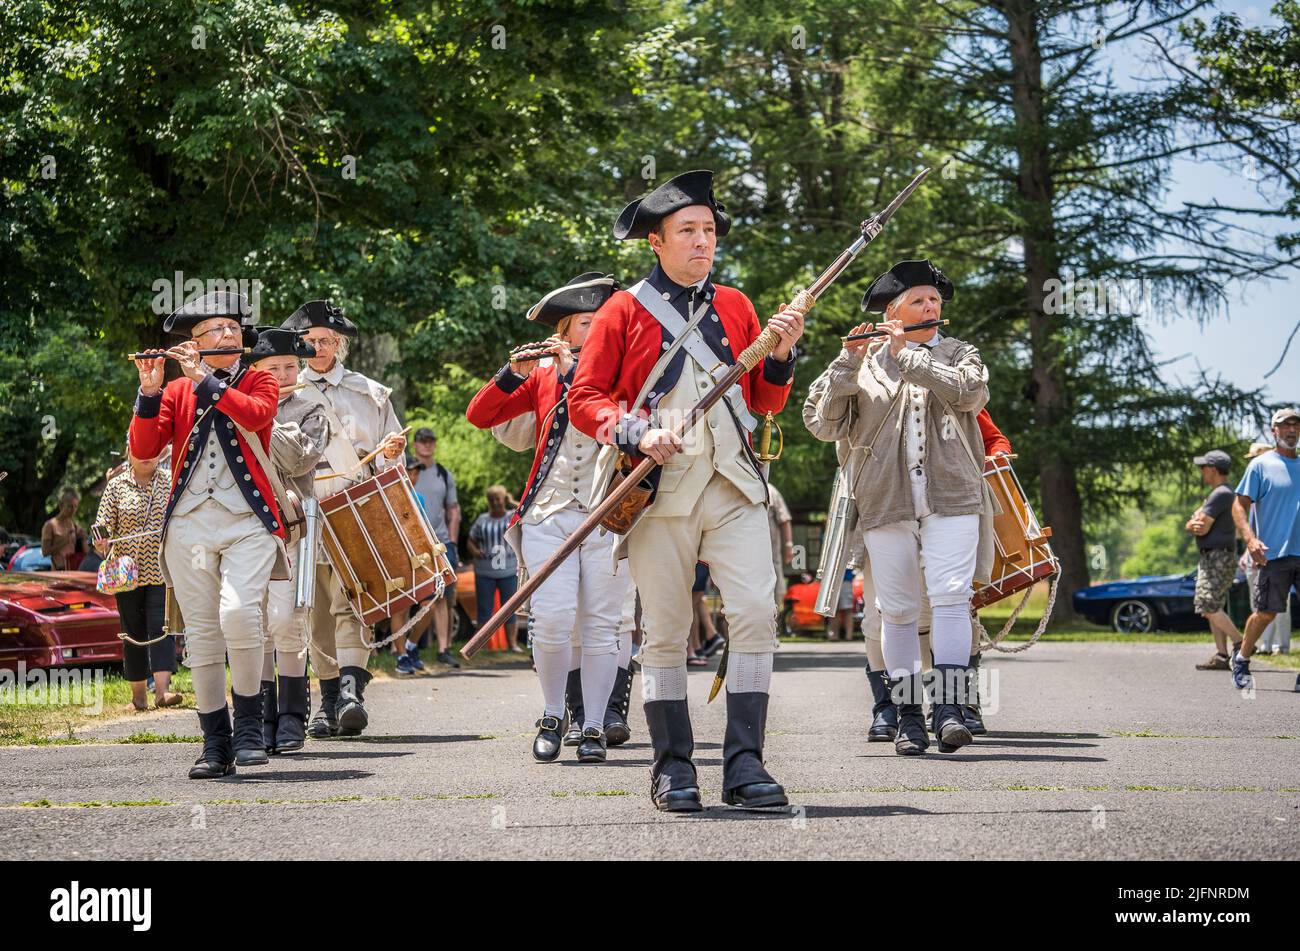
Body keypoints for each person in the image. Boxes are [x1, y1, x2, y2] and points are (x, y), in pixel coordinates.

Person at [568, 170, 805, 811]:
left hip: (735, 485)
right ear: (657, 241)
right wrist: (636, 430)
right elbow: (584, 399)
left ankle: (746, 762)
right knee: (668, 631)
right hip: (658, 490)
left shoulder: (737, 305)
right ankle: (672, 767)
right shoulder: (623, 310)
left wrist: (782, 355)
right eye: (688, 231)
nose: (703, 242)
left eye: (708, 231)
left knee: (755, 611)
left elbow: (764, 402)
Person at [804, 259, 991, 757]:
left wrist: (907, 355)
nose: (930, 307)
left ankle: (949, 710)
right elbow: (822, 423)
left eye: (934, 300)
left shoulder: (959, 353)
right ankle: (909, 716)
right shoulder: (862, 361)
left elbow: (969, 394)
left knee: (952, 598)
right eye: (918, 301)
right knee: (899, 610)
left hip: (953, 495)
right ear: (892, 312)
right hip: (884, 498)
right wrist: (847, 364)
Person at [466, 273, 631, 763]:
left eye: (603, 321)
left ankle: (595, 725)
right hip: (547, 512)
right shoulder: (543, 373)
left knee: (601, 625)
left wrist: (575, 372)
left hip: (608, 512)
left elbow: (607, 411)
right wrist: (513, 372)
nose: (597, 329)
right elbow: (480, 415)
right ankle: (554, 713)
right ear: (564, 331)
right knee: (553, 619)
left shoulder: (629, 368)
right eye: (586, 323)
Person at [129, 291, 286, 779]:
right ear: (195, 342)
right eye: (218, 328)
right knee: (201, 634)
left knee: (239, 615)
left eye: (234, 327)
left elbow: (256, 416)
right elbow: (144, 450)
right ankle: (214, 742)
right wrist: (150, 393)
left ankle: (249, 728)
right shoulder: (177, 390)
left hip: (247, 521)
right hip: (190, 525)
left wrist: (206, 380)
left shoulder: (259, 378)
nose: (230, 333)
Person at [284, 300, 407, 737]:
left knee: (353, 602)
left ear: (340, 344)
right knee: (315, 610)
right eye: (310, 341)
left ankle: (352, 693)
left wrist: (391, 452)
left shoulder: (370, 393)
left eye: (326, 340)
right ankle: (329, 700)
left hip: (356, 508)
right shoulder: (285, 392)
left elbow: (392, 461)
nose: (318, 348)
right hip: (305, 510)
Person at [250, 327, 329, 752]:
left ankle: (293, 714)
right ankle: (260, 716)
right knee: (255, 623)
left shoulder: (310, 409)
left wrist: (261, 412)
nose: (282, 375)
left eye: (289, 367)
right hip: (247, 525)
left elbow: (299, 460)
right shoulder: (237, 403)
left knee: (286, 620)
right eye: (272, 368)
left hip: (293, 525)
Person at [93, 446, 182, 710]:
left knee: (161, 627)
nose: (146, 455)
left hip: (161, 568)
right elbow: (102, 523)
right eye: (140, 449)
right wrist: (101, 540)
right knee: (132, 631)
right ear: (129, 452)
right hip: (125, 573)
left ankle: (162, 692)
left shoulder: (170, 481)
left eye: (152, 449)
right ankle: (138, 697)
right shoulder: (116, 485)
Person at [1229, 408, 1300, 690]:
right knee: (1266, 613)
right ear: (1274, 431)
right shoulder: (1261, 465)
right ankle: (1242, 658)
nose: (1291, 430)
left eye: (1296, 425)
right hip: (1273, 554)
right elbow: (1239, 505)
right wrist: (1250, 540)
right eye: (1285, 425)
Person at [410, 428, 462, 668]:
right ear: (415, 444)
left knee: (443, 597)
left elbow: (453, 508)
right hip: (414, 542)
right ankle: (404, 650)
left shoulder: (443, 473)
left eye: (431, 441)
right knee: (413, 598)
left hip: (440, 541)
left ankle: (443, 649)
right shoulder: (407, 470)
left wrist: (453, 540)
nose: (427, 445)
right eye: (423, 441)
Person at [1186, 450, 1243, 671]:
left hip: (1217, 556)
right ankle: (1222, 655)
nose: (1201, 472)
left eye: (1203, 468)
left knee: (1206, 604)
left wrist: (1194, 524)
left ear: (1213, 469)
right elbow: (1193, 522)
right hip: (1214, 556)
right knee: (1213, 605)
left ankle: (1241, 642)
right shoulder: (1220, 493)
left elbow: (1201, 527)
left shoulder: (1221, 494)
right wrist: (1192, 524)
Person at [466, 485, 522, 652]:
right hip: (485, 572)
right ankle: (481, 645)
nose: (495, 502)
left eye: (498, 499)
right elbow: (470, 540)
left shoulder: (511, 517)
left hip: (508, 571)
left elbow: (526, 512)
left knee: (510, 608)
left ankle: (512, 644)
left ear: (504, 499)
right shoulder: (482, 520)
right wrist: (475, 551)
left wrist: (511, 502)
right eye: (491, 500)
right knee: (484, 609)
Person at [767, 481, 795, 616]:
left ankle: (775, 623)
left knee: (777, 590)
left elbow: (784, 520)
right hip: (747, 557)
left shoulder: (770, 490)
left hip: (772, 556)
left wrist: (788, 546)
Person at [42, 488, 86, 571]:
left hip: (72, 570)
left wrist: (83, 539)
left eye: (75, 506)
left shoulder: (75, 526)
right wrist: (65, 541)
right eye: (69, 506)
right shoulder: (50, 525)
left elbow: (85, 552)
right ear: (61, 505)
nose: (73, 510)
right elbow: (45, 552)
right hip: (58, 571)